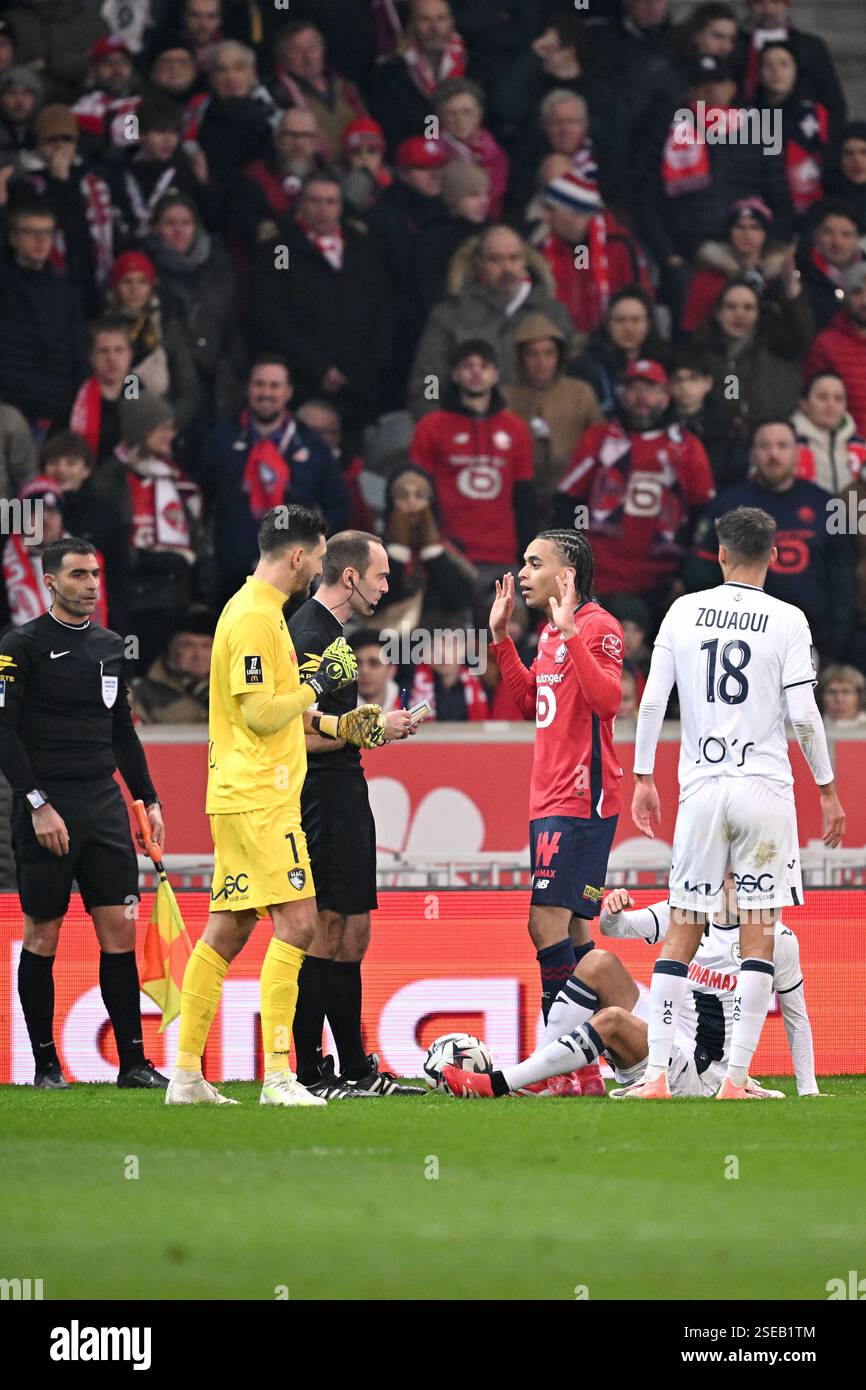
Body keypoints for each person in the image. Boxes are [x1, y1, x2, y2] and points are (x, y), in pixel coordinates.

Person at [629, 504, 845, 1098]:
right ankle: (739, 1078)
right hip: (764, 790)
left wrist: (644, 777)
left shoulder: (682, 611)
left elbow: (652, 702)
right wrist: (826, 789)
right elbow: (803, 714)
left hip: (700, 788)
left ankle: (654, 1078)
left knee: (682, 927)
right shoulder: (789, 619)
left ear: (719, 554)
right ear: (774, 556)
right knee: (759, 930)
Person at [164, 505, 361, 1107]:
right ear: (298, 556)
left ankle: (186, 1076)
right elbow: (257, 713)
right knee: (300, 924)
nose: (319, 569)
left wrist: (343, 723)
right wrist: (321, 680)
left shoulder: (263, 613)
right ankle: (279, 1076)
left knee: (227, 930)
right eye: (319, 558)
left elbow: (284, 709)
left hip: (245, 794)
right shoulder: (253, 617)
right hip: (258, 797)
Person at [0, 536, 167, 1089]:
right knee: (42, 934)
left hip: (103, 806)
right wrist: (37, 804)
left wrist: (148, 799)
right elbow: (3, 732)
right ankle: (46, 1066)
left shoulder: (110, 645)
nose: (91, 585)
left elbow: (123, 731)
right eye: (78, 575)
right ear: (50, 582)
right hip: (48, 806)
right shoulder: (20, 644)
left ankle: (133, 1064)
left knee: (119, 931)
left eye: (95, 574)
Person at [443, 874, 820, 1099]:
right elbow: (615, 930)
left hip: (700, 1073)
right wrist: (613, 911)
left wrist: (809, 1090)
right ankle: (546, 1076)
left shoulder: (777, 939)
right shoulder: (687, 911)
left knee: (612, 1020)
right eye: (728, 870)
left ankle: (498, 1084)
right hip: (665, 1037)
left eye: (744, 873)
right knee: (597, 962)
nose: (734, 879)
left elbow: (796, 1017)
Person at [488, 530, 624, 1095]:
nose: (522, 571)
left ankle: (559, 1064)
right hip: (551, 798)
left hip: (579, 799)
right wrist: (501, 640)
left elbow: (610, 701)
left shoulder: (598, 626)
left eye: (534, 563)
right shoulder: (549, 632)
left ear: (567, 574)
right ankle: (588, 1063)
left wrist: (570, 633)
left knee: (542, 921)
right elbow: (529, 702)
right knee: (569, 929)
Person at [289, 530, 424, 1098]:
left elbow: (333, 724)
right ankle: (308, 1072)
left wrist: (372, 726)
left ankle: (354, 1069)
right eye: (381, 576)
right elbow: (290, 730)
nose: (386, 587)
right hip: (314, 796)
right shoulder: (306, 633)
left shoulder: (334, 634)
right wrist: (371, 725)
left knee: (353, 933)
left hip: (346, 788)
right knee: (323, 931)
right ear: (350, 577)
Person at [554, 359, 715, 620]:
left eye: (650, 389)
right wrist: (572, 567)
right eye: (633, 388)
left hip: (662, 585)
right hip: (598, 581)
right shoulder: (597, 439)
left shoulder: (688, 447)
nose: (641, 397)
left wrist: (685, 577)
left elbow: (704, 517)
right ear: (622, 395)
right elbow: (566, 502)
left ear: (665, 397)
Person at [686, 420, 854, 662]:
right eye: (765, 446)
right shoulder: (727, 505)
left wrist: (836, 638)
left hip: (813, 637)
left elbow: (841, 576)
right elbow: (700, 574)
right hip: (740, 637)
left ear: (797, 452)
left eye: (782, 446)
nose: (774, 454)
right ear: (752, 453)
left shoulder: (826, 504)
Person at [249, 170, 394, 448]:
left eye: (331, 201)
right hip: (303, 382)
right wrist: (318, 368)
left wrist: (367, 367)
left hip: (358, 387)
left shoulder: (363, 248)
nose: (323, 209)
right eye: (315, 201)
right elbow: (273, 317)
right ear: (301, 204)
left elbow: (382, 310)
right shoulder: (282, 251)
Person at [204, 356, 349, 603]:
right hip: (231, 574)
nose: (266, 393)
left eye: (274, 386)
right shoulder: (222, 441)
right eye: (259, 384)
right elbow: (202, 500)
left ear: (288, 392)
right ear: (248, 389)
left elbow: (338, 506)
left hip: (294, 577)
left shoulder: (313, 446)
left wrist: (311, 546)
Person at [408, 339, 536, 617]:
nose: (476, 372)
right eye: (468, 366)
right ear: (454, 374)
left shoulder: (516, 429)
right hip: (449, 553)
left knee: (503, 641)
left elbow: (524, 499)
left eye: (485, 366)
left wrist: (528, 557)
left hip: (503, 556)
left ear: (496, 374)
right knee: (451, 642)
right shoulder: (432, 426)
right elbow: (416, 495)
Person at [408, 223, 579, 417]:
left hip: (542, 427)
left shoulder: (553, 313)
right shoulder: (449, 316)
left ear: (525, 261)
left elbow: (572, 373)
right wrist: (434, 420)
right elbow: (430, 377)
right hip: (472, 429)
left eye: (514, 258)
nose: (506, 268)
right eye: (495, 260)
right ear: (479, 264)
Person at [502, 312, 602, 522]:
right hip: (518, 499)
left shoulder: (580, 393)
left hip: (572, 499)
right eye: (532, 354)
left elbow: (600, 446)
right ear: (519, 357)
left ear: (560, 355)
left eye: (549, 353)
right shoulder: (504, 398)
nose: (542, 362)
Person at [0, 196, 87, 436]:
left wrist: (79, 404)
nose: (41, 240)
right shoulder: (6, 285)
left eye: (47, 233)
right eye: (31, 232)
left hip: (60, 410)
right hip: (12, 407)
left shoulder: (66, 290)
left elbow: (78, 351)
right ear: (13, 238)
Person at [530, 169, 651, 336]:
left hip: (613, 342)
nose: (546, 217)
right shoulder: (551, 249)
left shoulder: (619, 248)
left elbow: (640, 302)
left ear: (573, 214)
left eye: (552, 210)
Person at [691, 274, 815, 435]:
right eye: (731, 307)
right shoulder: (704, 353)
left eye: (748, 308)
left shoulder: (777, 346)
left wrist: (792, 292)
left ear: (758, 313)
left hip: (775, 439)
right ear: (718, 313)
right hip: (723, 442)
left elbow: (803, 334)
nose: (739, 314)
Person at [379, 460, 477, 633]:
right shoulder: (375, 548)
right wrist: (397, 553)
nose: (411, 503)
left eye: (419, 495)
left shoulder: (450, 548)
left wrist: (432, 553)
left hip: (440, 643)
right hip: (389, 641)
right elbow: (376, 602)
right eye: (403, 496)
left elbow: (460, 602)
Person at [680, 196, 789, 335]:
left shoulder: (781, 277)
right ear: (729, 233)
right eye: (739, 227)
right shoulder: (706, 278)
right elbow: (692, 330)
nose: (747, 234)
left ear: (765, 234)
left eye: (755, 227)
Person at [736, 0, 846, 136]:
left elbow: (833, 102)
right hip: (747, 131)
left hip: (801, 133)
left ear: (786, 4)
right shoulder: (735, 44)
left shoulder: (810, 46)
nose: (768, 9)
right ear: (749, 5)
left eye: (775, 2)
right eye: (759, 2)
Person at [371, 0, 467, 155]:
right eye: (425, 19)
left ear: (451, 22)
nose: (434, 27)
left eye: (441, 18)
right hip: (415, 161)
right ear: (412, 25)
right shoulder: (391, 72)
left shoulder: (471, 65)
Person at [266, 21, 368, 161]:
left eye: (313, 47)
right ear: (282, 57)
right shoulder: (276, 94)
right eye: (296, 50)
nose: (308, 57)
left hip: (356, 164)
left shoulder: (345, 87)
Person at [568, 286, 670, 416]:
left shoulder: (666, 362)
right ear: (607, 324)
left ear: (649, 323)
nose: (628, 328)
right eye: (620, 320)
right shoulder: (585, 368)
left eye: (636, 320)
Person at [756, 40, 828, 220]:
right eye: (768, 65)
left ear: (796, 70)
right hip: (763, 213)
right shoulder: (750, 116)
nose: (776, 71)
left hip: (811, 211)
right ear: (759, 73)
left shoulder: (816, 113)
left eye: (783, 64)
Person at [802, 261, 866, 436]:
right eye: (857, 293)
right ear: (845, 297)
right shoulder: (826, 344)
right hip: (846, 451)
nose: (864, 301)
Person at [435, 77, 508, 221]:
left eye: (466, 112)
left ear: (479, 115)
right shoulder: (432, 152)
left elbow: (496, 197)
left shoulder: (496, 154)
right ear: (441, 117)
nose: (460, 120)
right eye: (451, 113)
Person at [669, 349, 741, 488]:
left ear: (707, 383)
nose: (685, 386)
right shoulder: (659, 423)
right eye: (678, 380)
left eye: (693, 379)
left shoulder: (726, 427)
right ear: (669, 385)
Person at [131, 608, 214, 724]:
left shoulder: (233, 686)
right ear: (171, 649)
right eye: (188, 645)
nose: (198, 655)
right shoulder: (142, 693)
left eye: (207, 646)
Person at [69, 319, 134, 465]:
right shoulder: (77, 396)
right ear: (91, 357)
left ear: (130, 355)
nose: (111, 358)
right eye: (103, 351)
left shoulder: (138, 392)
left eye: (119, 350)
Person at [792, 371, 866, 494]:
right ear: (804, 403)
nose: (831, 405)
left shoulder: (861, 446)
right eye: (822, 397)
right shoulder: (786, 444)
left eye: (838, 398)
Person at [797, 201, 865, 332]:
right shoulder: (799, 272)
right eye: (828, 233)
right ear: (816, 235)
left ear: (858, 238)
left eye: (846, 234)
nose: (837, 242)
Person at [351, 629, 401, 714]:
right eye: (356, 663)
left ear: (391, 670)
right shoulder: (332, 709)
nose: (364, 670)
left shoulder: (410, 703)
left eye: (374, 663)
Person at [818, 663, 866, 730]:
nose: (839, 699)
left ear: (860, 696)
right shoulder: (811, 728)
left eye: (846, 692)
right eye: (832, 692)